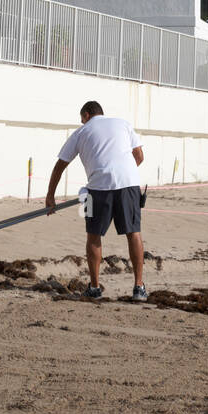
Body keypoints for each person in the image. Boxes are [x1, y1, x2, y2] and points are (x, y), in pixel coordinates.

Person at [45, 100, 147, 302]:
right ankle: (138, 287)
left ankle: (94, 287)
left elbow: (60, 165)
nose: (82, 122)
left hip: (98, 188)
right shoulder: (122, 123)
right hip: (129, 184)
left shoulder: (81, 132)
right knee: (133, 233)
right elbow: (140, 156)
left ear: (86, 115)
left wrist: (50, 197)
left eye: (82, 119)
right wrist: (121, 172)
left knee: (93, 236)